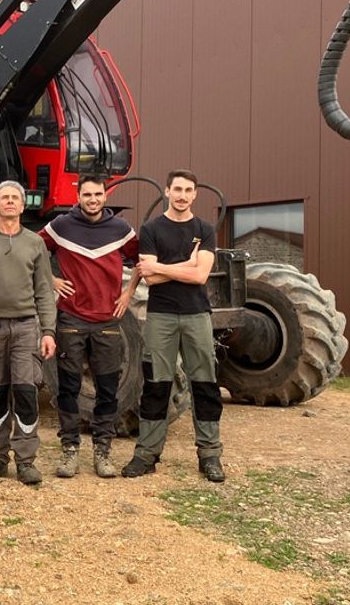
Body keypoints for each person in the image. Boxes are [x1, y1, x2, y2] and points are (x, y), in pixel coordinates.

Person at [121, 169, 225, 483]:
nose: (182, 195)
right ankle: (146, 454)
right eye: (177, 189)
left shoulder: (204, 229)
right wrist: (187, 264)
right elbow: (148, 278)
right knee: (156, 384)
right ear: (167, 191)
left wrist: (163, 267)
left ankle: (210, 455)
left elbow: (200, 277)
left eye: (188, 190)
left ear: (195, 195)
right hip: (161, 316)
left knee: (205, 384)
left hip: (197, 316)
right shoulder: (151, 229)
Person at [39, 174, 140, 478]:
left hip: (108, 320)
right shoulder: (61, 226)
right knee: (68, 388)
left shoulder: (121, 230)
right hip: (70, 319)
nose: (92, 199)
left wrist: (129, 292)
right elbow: (31, 249)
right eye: (87, 195)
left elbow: (143, 261)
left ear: (105, 196)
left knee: (107, 389)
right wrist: (51, 279)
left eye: (97, 194)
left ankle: (103, 451)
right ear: (78, 196)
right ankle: (70, 450)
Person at [0, 180, 57, 485]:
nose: (9, 202)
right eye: (4, 198)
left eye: (15, 198)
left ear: (22, 205)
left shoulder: (35, 243)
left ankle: (26, 460)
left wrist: (48, 331)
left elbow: (44, 289)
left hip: (25, 328)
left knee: (26, 391)